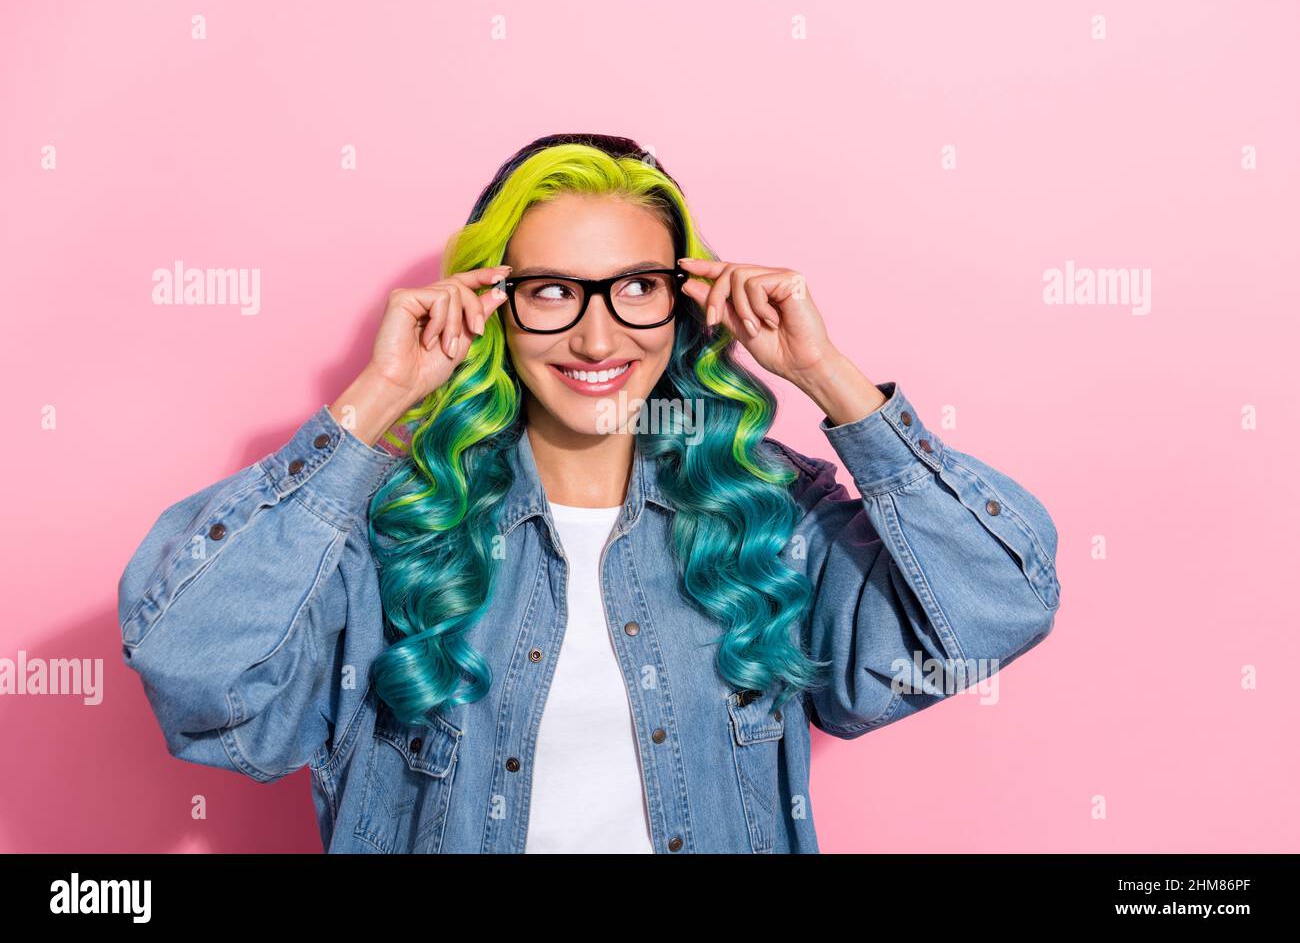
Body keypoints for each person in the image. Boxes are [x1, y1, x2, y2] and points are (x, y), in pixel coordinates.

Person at [117, 133, 1062, 854]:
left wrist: (828, 377)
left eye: (636, 287)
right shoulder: (389, 530)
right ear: (491, 305)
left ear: (684, 301)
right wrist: (375, 403)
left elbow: (995, 607)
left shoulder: (764, 517)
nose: (599, 339)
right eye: (553, 292)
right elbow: (197, 673)